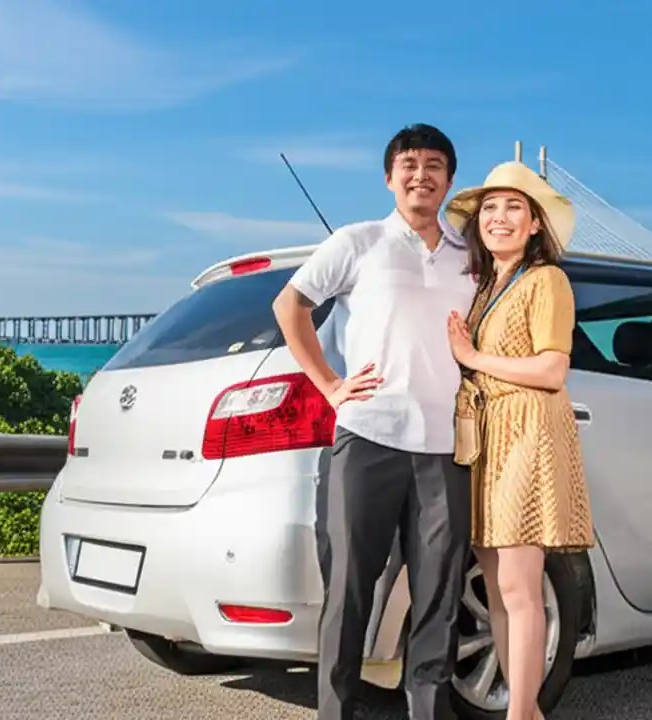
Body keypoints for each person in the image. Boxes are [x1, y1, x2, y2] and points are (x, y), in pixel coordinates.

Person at [272, 123, 477, 720]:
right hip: (368, 439)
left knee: (438, 596)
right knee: (350, 591)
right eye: (409, 164)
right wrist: (331, 386)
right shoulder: (358, 242)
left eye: (434, 165)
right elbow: (290, 306)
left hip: (445, 448)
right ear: (389, 177)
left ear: (449, 180)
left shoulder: (470, 256)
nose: (422, 175)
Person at [443, 161, 595, 720]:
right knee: (499, 586)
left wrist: (473, 357)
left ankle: (520, 713)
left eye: (513, 208)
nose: (498, 218)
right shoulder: (485, 286)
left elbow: (554, 369)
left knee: (519, 585)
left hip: (527, 433)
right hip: (487, 438)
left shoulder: (546, 279)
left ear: (535, 224)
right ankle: (522, 709)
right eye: (489, 208)